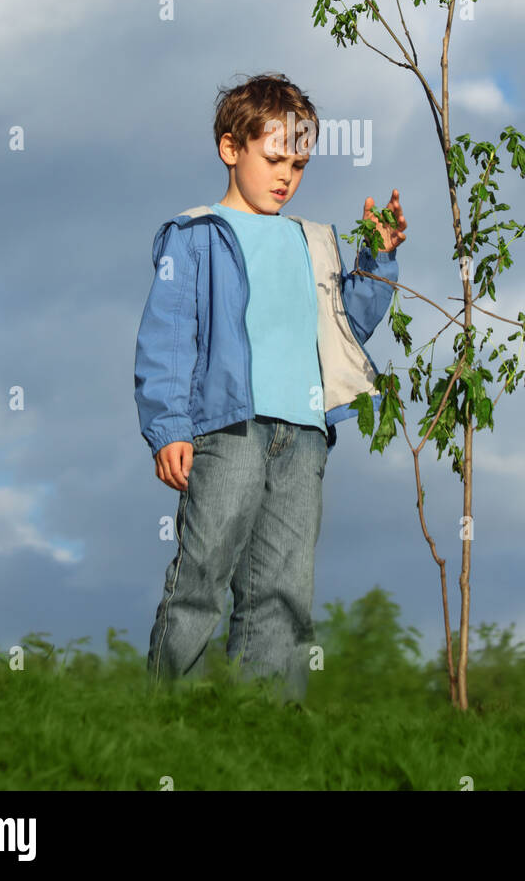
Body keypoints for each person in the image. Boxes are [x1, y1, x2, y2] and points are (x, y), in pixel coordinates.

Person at [134, 70, 407, 704]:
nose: (287, 175)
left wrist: (378, 259)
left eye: (300, 163)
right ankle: (168, 718)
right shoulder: (196, 234)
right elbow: (169, 337)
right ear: (232, 148)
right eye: (274, 156)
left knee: (283, 590)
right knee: (202, 574)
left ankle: (265, 727)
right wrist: (169, 428)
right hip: (226, 430)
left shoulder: (313, 241)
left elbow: (348, 324)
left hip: (305, 435)